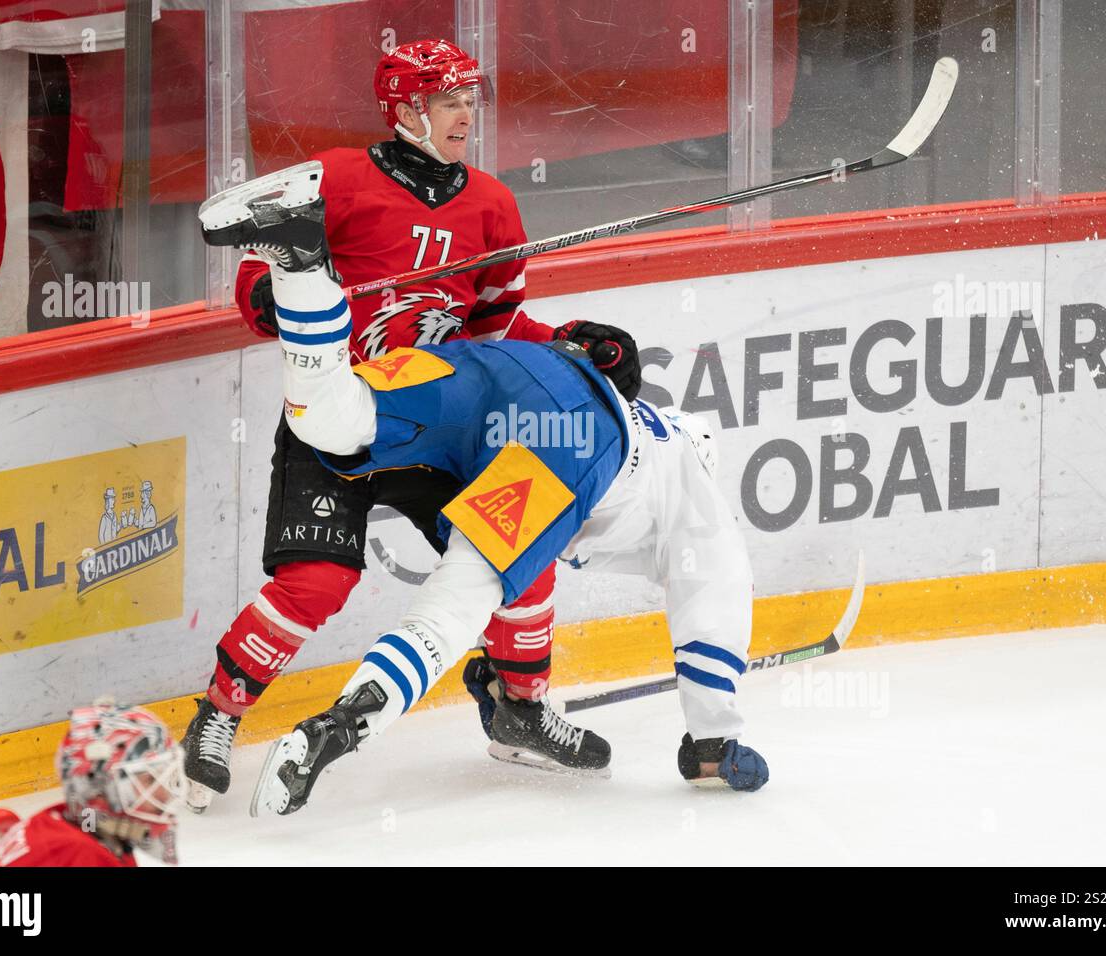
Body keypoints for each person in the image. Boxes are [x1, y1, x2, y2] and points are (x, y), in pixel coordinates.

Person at [198, 167, 768, 817]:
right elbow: (713, 612)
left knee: (332, 417)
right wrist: (713, 741)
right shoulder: (694, 493)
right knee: (452, 609)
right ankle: (346, 725)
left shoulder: (650, 428)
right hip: (572, 450)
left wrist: (575, 340)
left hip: (521, 373)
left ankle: (300, 259)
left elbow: (511, 335)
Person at [182, 39, 642, 810]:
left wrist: (574, 345)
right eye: (448, 99)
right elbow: (257, 273)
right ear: (404, 110)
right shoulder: (337, 177)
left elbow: (494, 333)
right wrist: (281, 305)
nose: (467, 113)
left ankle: (518, 711)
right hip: (343, 413)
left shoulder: (493, 204)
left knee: (522, 550)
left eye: (471, 97)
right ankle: (217, 717)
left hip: (440, 423)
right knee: (314, 582)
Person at [0, 701, 186, 867]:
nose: (165, 792)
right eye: (150, 779)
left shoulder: (62, 822)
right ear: (102, 788)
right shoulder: (83, 855)